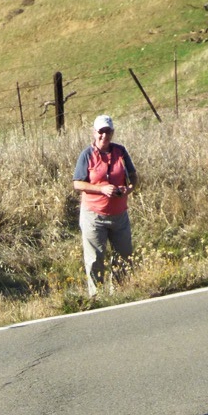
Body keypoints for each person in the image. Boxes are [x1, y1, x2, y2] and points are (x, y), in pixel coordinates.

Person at [72, 115, 138, 296]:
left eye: (108, 132)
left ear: (112, 133)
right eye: (101, 132)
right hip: (94, 215)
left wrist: (128, 189)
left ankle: (121, 293)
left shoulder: (121, 152)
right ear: (94, 133)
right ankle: (97, 297)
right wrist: (102, 189)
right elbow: (78, 183)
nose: (104, 136)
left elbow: (133, 177)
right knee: (95, 259)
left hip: (119, 215)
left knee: (124, 255)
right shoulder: (87, 155)